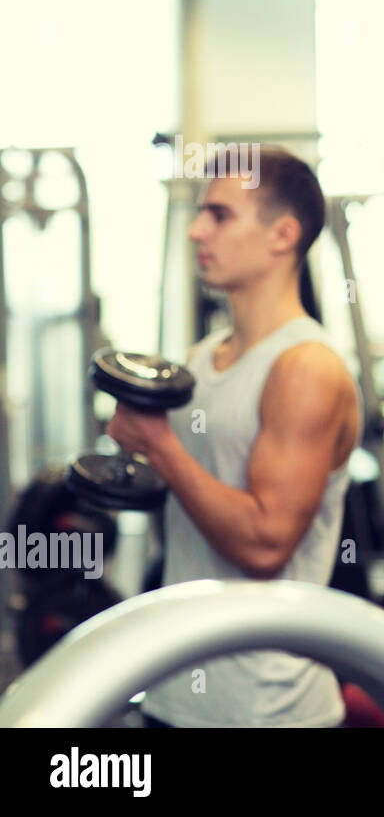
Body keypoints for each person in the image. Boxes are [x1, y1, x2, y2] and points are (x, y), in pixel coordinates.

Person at [109, 146, 361, 727]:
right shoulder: (203, 357)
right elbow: (190, 499)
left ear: (282, 235)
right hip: (175, 690)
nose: (198, 230)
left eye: (220, 215)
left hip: (264, 711)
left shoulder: (306, 368)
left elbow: (265, 544)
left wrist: (161, 445)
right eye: (201, 213)